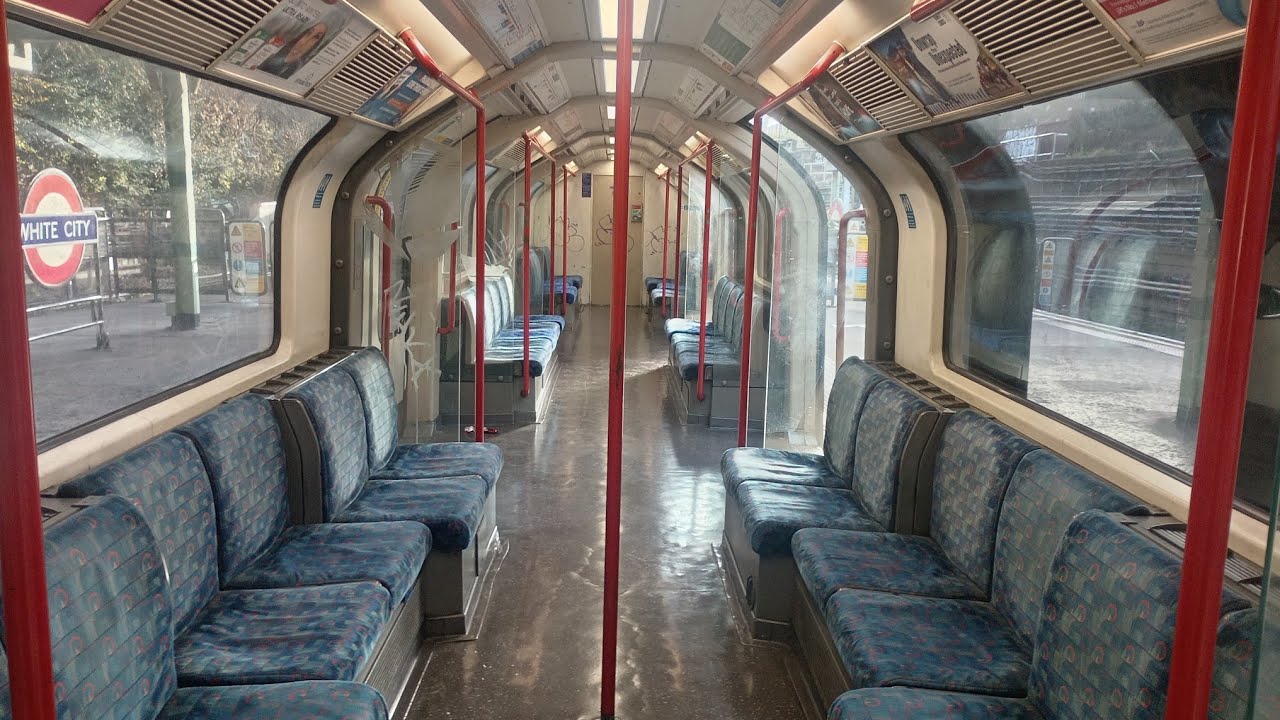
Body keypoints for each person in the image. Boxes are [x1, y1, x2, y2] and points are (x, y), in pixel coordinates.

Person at [257, 22, 329, 79]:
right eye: (309, 33)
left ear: (317, 44)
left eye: (316, 37)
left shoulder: (299, 67)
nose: (307, 40)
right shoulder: (280, 46)